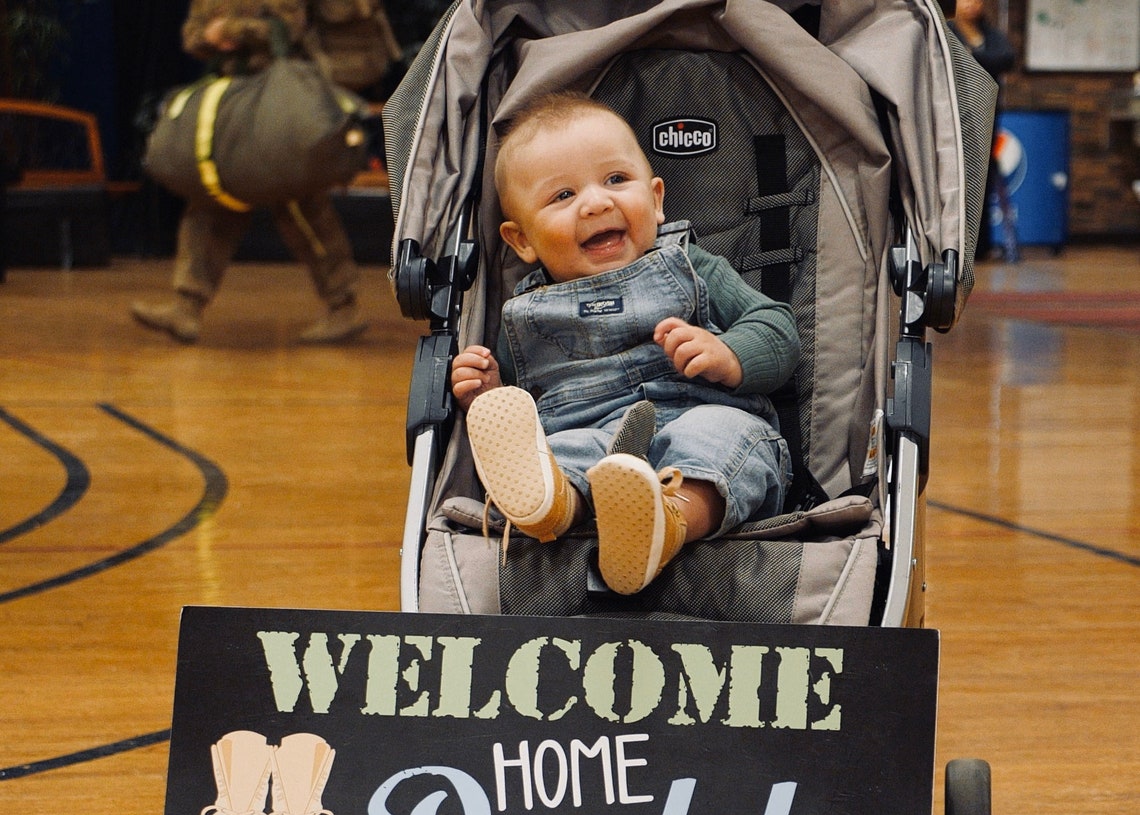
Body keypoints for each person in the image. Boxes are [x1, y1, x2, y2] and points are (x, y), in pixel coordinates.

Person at [451, 92, 800, 596]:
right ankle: (552, 505)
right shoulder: (524, 315)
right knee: (556, 452)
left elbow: (777, 327)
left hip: (699, 414)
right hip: (588, 438)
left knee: (723, 440)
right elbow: (521, 403)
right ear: (522, 240)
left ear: (656, 200)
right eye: (562, 196)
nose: (596, 202)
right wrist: (488, 391)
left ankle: (666, 522)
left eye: (616, 180)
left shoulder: (690, 268)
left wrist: (730, 355)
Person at [131, 0, 368, 345]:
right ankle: (186, 306)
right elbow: (192, 36)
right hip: (231, 104)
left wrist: (229, 31)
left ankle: (344, 305)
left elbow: (288, 30)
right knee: (211, 201)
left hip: (281, 103)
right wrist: (210, 37)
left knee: (301, 206)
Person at [950, 0, 1019, 262]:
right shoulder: (947, 31)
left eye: (977, 0)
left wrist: (972, 54)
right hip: (954, 114)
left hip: (986, 115)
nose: (971, 5)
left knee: (982, 180)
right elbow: (950, 59)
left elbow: (1006, 58)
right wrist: (975, 57)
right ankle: (953, 245)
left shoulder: (990, 33)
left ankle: (981, 246)